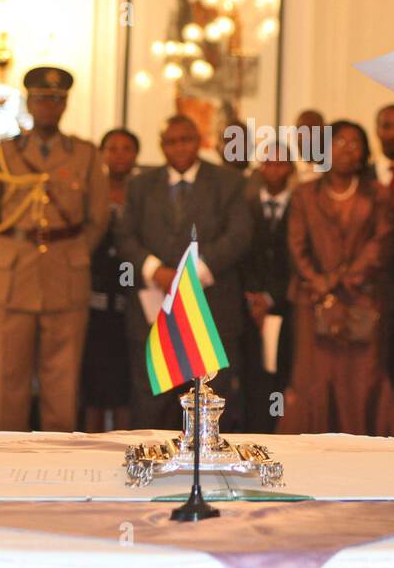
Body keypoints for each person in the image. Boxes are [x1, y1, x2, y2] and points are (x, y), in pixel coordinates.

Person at [0, 66, 109, 432]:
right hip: (11, 277)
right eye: (41, 99)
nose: (49, 107)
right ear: (29, 102)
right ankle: (7, 466)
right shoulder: (1, 153)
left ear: (65, 105)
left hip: (66, 277)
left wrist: (73, 253)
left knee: (62, 384)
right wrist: (12, 251)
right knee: (8, 381)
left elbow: (97, 218)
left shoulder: (85, 154)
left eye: (57, 100)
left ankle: (57, 466)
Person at [116, 115, 252, 429]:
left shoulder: (228, 181)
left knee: (211, 399)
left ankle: (213, 472)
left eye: (186, 140)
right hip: (154, 307)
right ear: (161, 146)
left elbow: (239, 235)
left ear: (199, 141)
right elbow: (125, 236)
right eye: (171, 141)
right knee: (150, 400)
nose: (179, 147)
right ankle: (148, 466)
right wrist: (154, 270)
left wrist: (192, 275)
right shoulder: (140, 185)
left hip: (211, 307)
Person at [279, 120, 394, 437]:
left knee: (361, 381)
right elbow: (295, 247)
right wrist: (320, 283)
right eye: (339, 142)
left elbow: (381, 243)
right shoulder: (304, 194)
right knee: (314, 379)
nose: (347, 150)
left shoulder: (377, 194)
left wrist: (340, 280)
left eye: (355, 144)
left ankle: (363, 457)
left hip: (362, 299)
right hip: (312, 300)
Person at [80, 128, 140, 433]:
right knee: (92, 377)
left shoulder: (144, 191)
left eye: (127, 148)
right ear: (102, 154)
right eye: (112, 148)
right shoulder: (90, 190)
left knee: (125, 379)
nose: (119, 154)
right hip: (93, 297)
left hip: (134, 300)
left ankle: (124, 442)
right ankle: (90, 444)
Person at [239, 142, 297, 432]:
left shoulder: (301, 205)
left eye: (281, 163)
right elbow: (240, 254)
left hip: (286, 304)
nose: (274, 169)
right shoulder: (245, 204)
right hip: (249, 305)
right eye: (268, 163)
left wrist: (271, 297)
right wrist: (252, 295)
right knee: (253, 372)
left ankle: (278, 430)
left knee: (282, 371)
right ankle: (252, 429)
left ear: (290, 167)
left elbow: (297, 257)